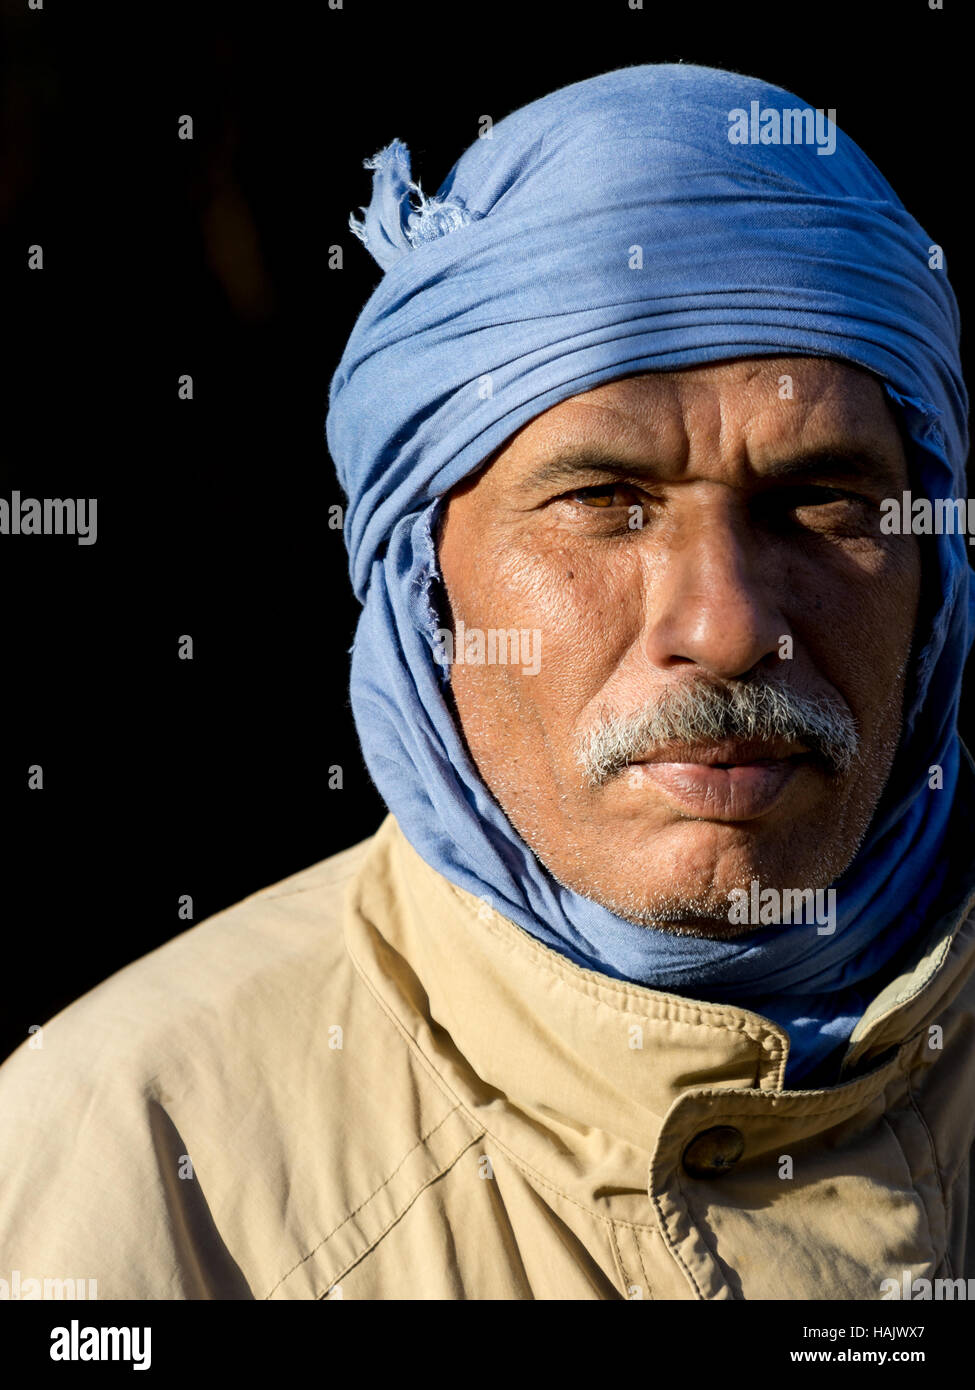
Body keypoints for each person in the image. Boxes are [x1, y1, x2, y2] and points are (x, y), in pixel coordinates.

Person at [2, 63, 973, 1301]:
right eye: (603, 502)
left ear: (933, 572)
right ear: (421, 582)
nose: (728, 627)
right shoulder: (132, 1170)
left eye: (818, 499)